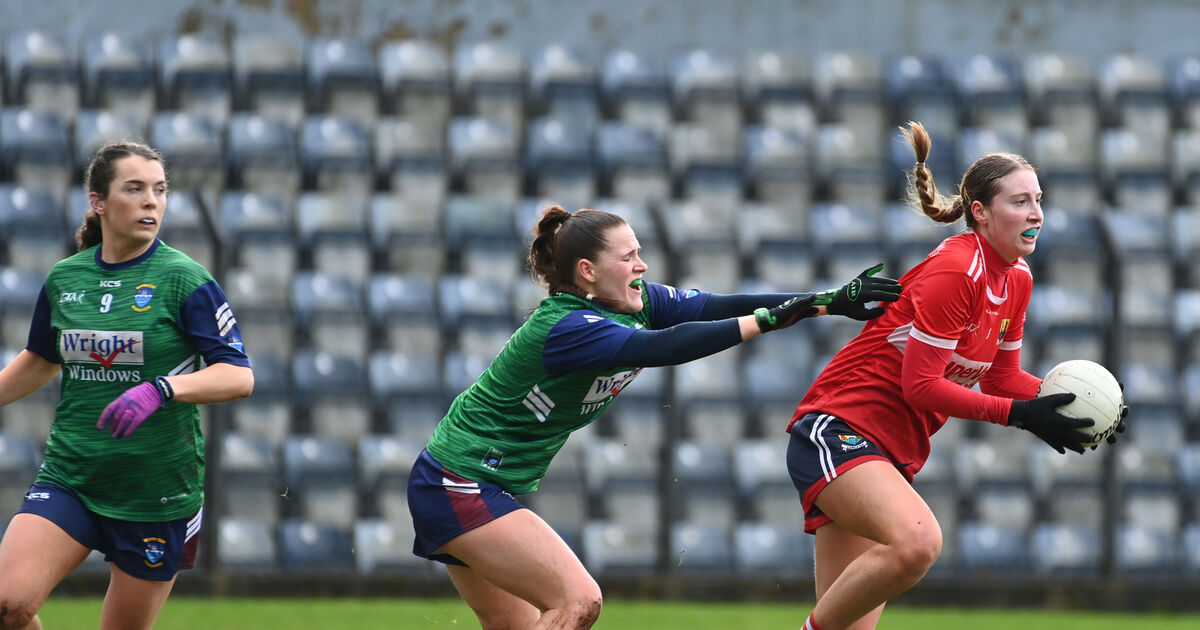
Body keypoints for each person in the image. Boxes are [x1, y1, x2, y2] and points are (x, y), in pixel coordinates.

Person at [407, 204, 902, 629]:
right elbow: (668, 346)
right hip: (459, 481)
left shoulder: (635, 301)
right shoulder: (567, 326)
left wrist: (825, 302)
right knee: (578, 601)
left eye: (639, 252)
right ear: (587, 271)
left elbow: (715, 307)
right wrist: (770, 320)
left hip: (472, 481)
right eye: (628, 257)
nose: (641, 265)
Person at [788, 121, 1129, 630]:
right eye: (1020, 202)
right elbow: (921, 386)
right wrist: (1020, 416)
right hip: (839, 428)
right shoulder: (957, 269)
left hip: (889, 450)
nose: (1036, 213)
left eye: (1038, 200)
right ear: (980, 213)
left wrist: (1069, 405)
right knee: (919, 542)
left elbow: (1001, 378)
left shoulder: (1016, 278)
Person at [0, 141, 254, 630]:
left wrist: (162, 389)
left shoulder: (184, 279)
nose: (151, 201)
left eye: (160, 190)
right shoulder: (66, 278)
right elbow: (41, 360)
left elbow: (238, 375)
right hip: (71, 476)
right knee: (7, 605)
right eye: (134, 189)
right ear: (98, 201)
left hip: (155, 492)